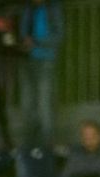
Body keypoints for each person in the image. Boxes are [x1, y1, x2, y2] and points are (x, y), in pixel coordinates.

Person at [19, 0, 64, 145]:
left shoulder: (54, 8)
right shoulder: (29, 9)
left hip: (47, 60)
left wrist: (36, 42)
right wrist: (25, 40)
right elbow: (23, 33)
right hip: (29, 60)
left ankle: (47, 144)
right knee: (27, 103)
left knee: (44, 103)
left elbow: (59, 36)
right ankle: (29, 143)